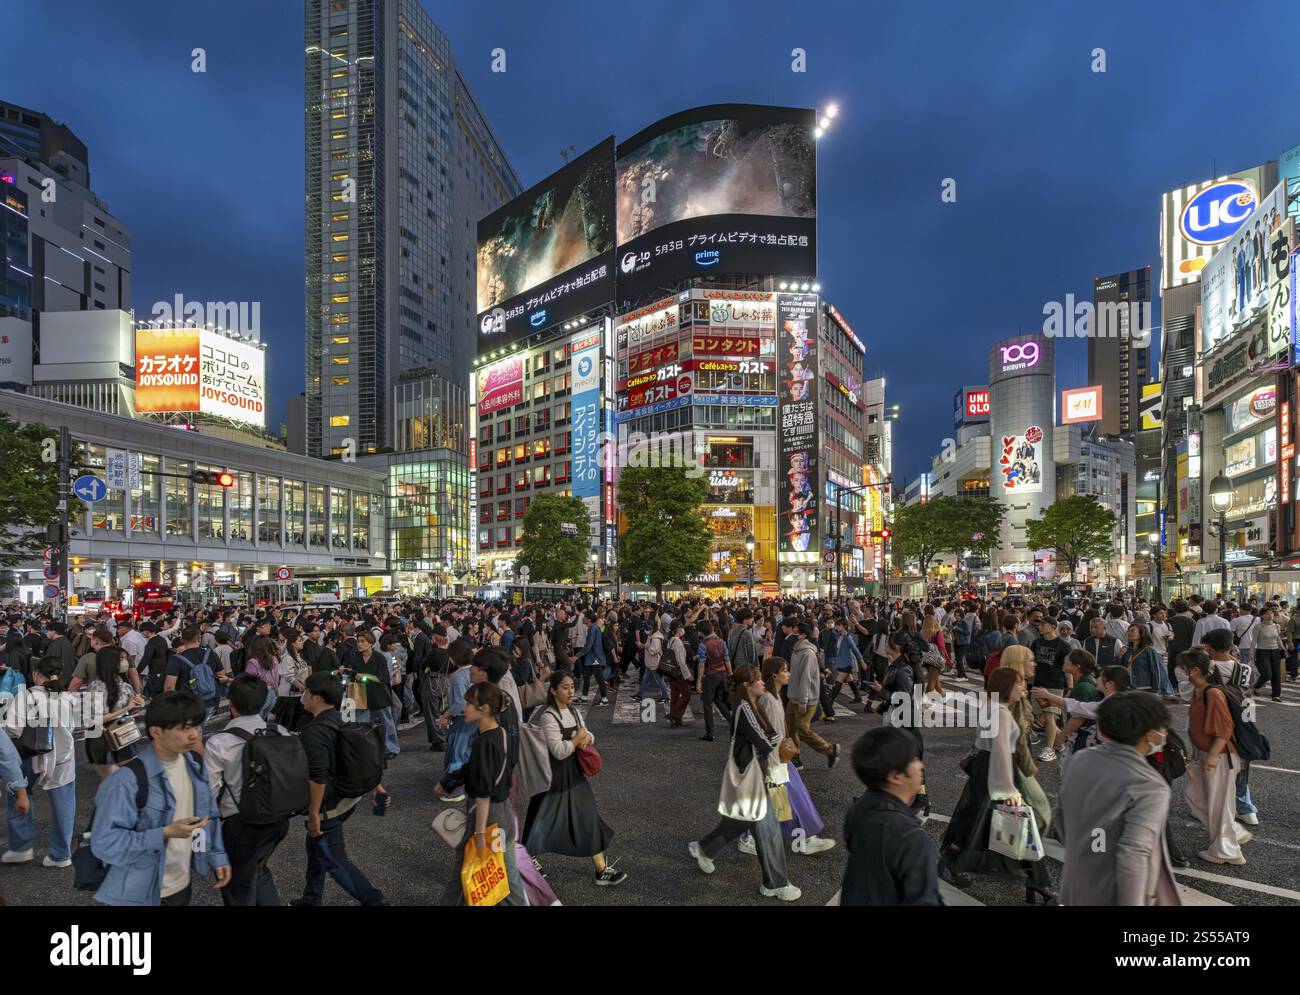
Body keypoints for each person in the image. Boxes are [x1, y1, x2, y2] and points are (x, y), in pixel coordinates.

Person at [90, 691, 232, 906]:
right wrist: (164, 833)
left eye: (196, 726)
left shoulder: (194, 763)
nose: (194, 735)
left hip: (180, 884)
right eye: (184, 728)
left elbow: (208, 811)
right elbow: (105, 842)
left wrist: (217, 854)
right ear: (156, 732)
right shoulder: (127, 780)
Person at [1054, 691, 1180, 905]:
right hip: (1113, 895)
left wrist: (1086, 850)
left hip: (1075, 885)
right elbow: (1134, 854)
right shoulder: (1148, 785)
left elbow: (1060, 814)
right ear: (1149, 734)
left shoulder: (1079, 759)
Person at [940, 667, 1054, 904]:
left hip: (986, 767)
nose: (1023, 688)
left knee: (979, 821)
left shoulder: (992, 707)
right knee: (1017, 822)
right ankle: (1038, 882)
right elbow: (1001, 750)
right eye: (1019, 684)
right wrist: (1009, 789)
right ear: (1007, 687)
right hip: (998, 769)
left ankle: (951, 860)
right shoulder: (1001, 713)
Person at [687, 665, 801, 902]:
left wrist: (772, 738)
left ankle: (705, 849)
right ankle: (776, 883)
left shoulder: (752, 706)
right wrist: (774, 739)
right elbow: (765, 742)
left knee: (741, 820)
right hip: (754, 774)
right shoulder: (745, 708)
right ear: (747, 686)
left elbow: (767, 735)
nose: (761, 683)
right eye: (758, 680)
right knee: (767, 829)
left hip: (756, 773)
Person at [522, 671, 626, 886]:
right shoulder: (548, 716)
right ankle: (526, 861)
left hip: (574, 776)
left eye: (572, 687)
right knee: (541, 820)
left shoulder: (574, 711)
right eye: (565, 687)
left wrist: (585, 737)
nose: (570, 691)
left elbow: (587, 734)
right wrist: (577, 738)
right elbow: (559, 751)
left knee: (588, 817)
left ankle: (601, 869)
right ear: (553, 690)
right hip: (553, 778)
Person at [293, 672, 387, 906]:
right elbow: (358, 754)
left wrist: (314, 813)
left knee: (335, 861)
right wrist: (377, 786)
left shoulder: (315, 731)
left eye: (305, 692)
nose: (302, 696)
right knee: (315, 848)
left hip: (328, 806)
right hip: (349, 799)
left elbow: (318, 776)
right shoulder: (341, 718)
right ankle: (311, 898)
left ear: (317, 698)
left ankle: (374, 900)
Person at [203, 675, 292, 906]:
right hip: (278, 817)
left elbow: (209, 794)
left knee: (238, 888)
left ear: (231, 705)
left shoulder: (219, 742)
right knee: (258, 871)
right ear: (264, 702)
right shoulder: (280, 731)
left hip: (240, 825)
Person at [440, 682, 527, 905]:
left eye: (469, 703)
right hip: (504, 816)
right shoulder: (503, 734)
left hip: (487, 819)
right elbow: (479, 770)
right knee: (502, 873)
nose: (465, 708)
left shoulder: (484, 743)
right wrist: (450, 782)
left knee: (469, 872)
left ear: (485, 708)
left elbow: (483, 793)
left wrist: (478, 835)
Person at [840, 726, 942, 906]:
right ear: (896, 776)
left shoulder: (860, 809)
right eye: (914, 759)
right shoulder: (912, 839)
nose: (921, 765)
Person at [750, 655, 834, 854]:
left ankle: (751, 837)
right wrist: (774, 764)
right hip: (775, 760)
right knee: (792, 798)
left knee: (785, 801)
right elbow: (766, 734)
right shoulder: (769, 700)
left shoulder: (775, 697)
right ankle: (803, 840)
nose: (788, 674)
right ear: (774, 675)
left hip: (779, 759)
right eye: (785, 670)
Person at [1178, 650, 1252, 866]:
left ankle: (1227, 851)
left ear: (1195, 670)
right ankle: (1232, 832)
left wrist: (1210, 756)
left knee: (1219, 804)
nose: (1179, 673)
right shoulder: (1199, 691)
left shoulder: (1213, 693)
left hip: (1220, 756)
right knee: (1194, 795)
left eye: (1181, 669)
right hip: (1208, 755)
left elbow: (1225, 729)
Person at [2, 659, 77, 867]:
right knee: (64, 804)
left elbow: (12, 730)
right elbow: (73, 726)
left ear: (36, 673)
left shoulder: (26, 696)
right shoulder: (67, 697)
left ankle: (21, 848)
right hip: (63, 758)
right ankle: (61, 855)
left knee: (17, 793)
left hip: (31, 757)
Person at [82, 645, 146, 779]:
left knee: (130, 779)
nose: (126, 662)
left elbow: (130, 707)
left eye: (125, 658)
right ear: (111, 662)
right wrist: (126, 708)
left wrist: (137, 705)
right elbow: (93, 720)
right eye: (122, 659)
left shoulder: (123, 683)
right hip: (101, 739)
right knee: (112, 783)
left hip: (123, 733)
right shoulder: (96, 686)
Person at [786, 622, 840, 765]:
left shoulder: (808, 653)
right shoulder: (796, 650)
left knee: (802, 728)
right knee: (791, 727)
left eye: (795, 632)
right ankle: (795, 757)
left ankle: (829, 749)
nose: (792, 634)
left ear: (802, 636)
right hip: (794, 696)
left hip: (807, 698)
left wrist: (803, 701)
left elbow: (806, 678)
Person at [1029, 616, 1070, 762]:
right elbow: (1032, 662)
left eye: (1043, 625)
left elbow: (1067, 668)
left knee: (1048, 716)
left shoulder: (1063, 646)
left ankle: (1050, 748)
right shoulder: (1036, 643)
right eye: (1038, 625)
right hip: (1039, 684)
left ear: (1053, 626)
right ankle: (1061, 743)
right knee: (1046, 718)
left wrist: (1069, 687)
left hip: (1054, 686)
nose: (1039, 627)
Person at [694, 620, 732, 743]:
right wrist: (730, 674)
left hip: (710, 676)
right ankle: (733, 722)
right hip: (722, 674)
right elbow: (727, 659)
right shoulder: (721, 641)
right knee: (719, 700)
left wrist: (698, 681)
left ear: (701, 632)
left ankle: (710, 733)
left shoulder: (703, 645)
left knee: (707, 704)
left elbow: (701, 664)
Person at [1122, 623, 1176, 698]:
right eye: (1128, 631)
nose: (1129, 633)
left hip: (1145, 687)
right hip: (1130, 687)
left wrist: (1156, 690)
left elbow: (1155, 670)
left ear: (1141, 633)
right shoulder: (1127, 650)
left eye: (1132, 630)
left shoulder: (1149, 650)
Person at [1251, 607, 1285, 702]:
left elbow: (1278, 638)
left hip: (1275, 651)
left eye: (1271, 613)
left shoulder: (1276, 626)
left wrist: (1282, 648)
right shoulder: (1258, 627)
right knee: (1267, 674)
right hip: (1262, 652)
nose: (1270, 615)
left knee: (1276, 674)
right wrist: (1251, 652)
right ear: (1262, 615)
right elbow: (1254, 641)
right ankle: (1257, 686)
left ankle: (1276, 695)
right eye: (1267, 614)